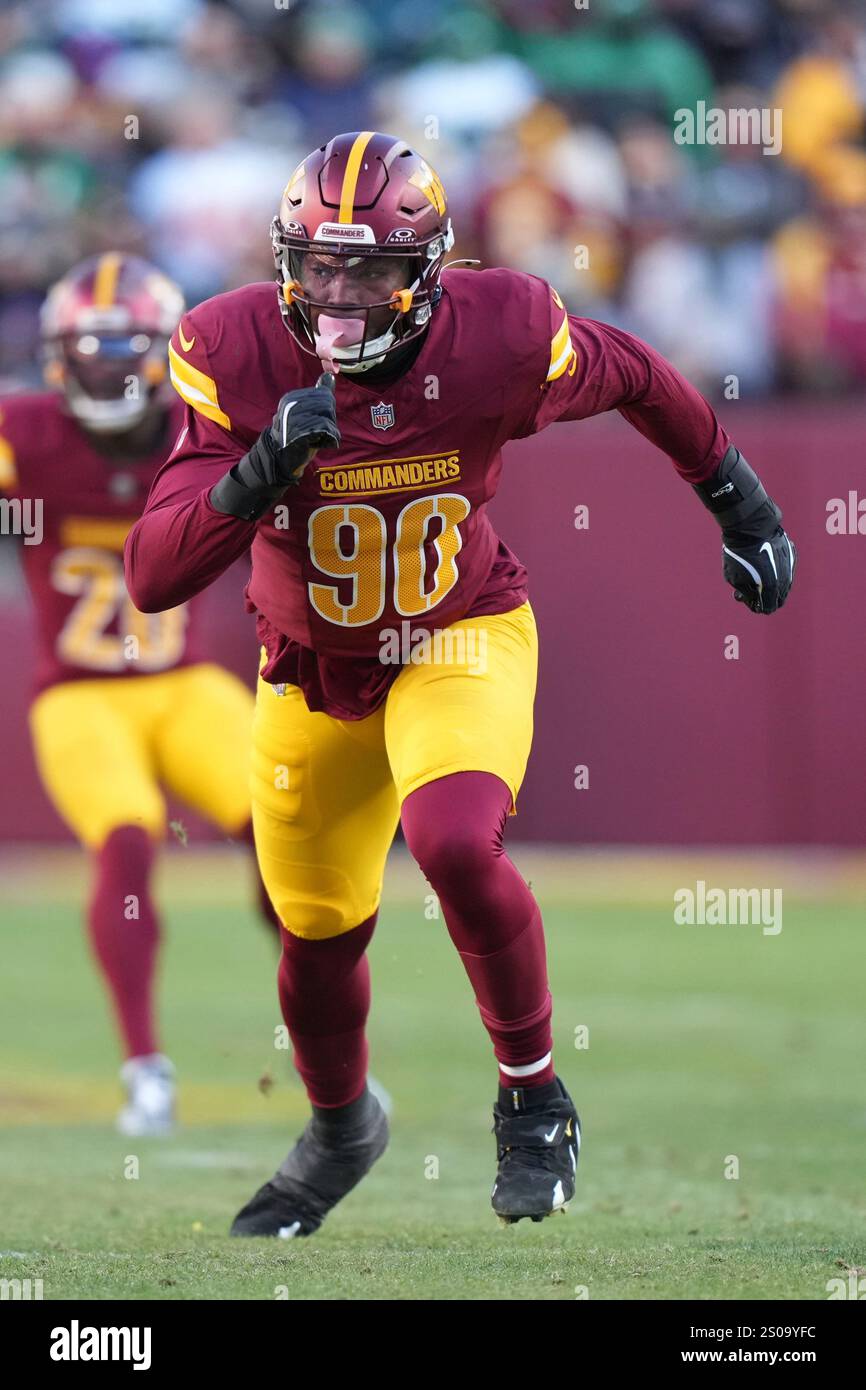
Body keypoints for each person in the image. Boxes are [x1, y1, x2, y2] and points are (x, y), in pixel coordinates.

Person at [124, 132, 796, 1232]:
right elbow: (153, 575)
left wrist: (736, 495)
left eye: (371, 270)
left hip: (457, 632)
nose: (337, 294)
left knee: (446, 839)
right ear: (284, 260)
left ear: (426, 272)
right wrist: (253, 477)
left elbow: (628, 367)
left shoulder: (499, 335)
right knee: (316, 935)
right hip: (307, 671)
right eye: (318, 265)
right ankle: (341, 1126)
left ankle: (533, 1098)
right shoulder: (234, 347)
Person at [0, 253, 280, 1137]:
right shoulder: (22, 432)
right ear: (55, 356)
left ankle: (329, 1061)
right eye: (90, 349)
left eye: (126, 348)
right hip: (80, 694)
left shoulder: (202, 430)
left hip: (184, 682)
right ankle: (144, 1068)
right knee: (125, 844)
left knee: (285, 838)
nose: (109, 366)